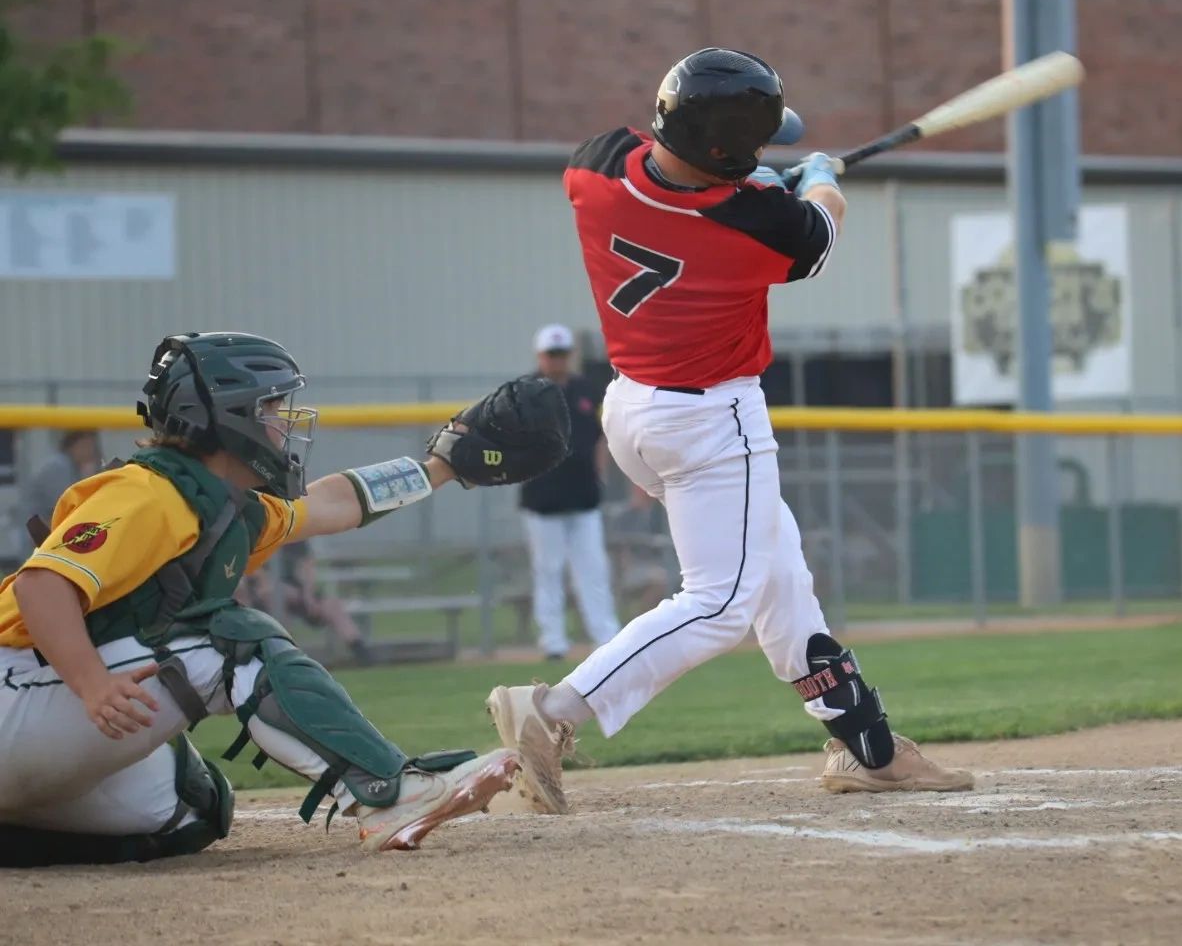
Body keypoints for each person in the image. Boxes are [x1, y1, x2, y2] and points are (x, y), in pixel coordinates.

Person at [486, 48, 971, 814]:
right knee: (720, 604)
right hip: (712, 421)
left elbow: (684, 192)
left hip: (632, 408)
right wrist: (816, 178)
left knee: (780, 578)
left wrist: (752, 183)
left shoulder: (596, 168)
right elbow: (819, 229)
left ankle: (865, 744)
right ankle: (552, 714)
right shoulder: (766, 224)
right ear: (728, 156)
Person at [0, 331, 569, 865]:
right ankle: (390, 793)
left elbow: (333, 505)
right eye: (271, 409)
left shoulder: (220, 503)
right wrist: (92, 684)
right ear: (229, 419)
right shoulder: (147, 493)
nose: (285, 422)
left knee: (188, 808)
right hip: (16, 694)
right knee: (230, 639)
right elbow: (41, 584)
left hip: (37, 712)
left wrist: (440, 467)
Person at [517, 324, 621, 660]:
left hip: (584, 496)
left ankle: (606, 636)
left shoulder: (585, 389)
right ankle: (553, 641)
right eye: (551, 354)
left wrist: (600, 471)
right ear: (540, 356)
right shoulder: (526, 391)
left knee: (593, 568)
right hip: (542, 498)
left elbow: (600, 436)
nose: (557, 360)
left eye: (562, 354)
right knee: (548, 570)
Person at [233, 540, 372, 666]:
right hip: (264, 595)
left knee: (332, 605)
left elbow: (308, 566)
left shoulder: (297, 537)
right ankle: (287, 654)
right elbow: (253, 571)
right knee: (276, 594)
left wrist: (308, 595)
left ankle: (359, 649)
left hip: (297, 593)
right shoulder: (261, 537)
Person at [12, 430, 103, 557]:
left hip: (52, 539)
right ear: (73, 446)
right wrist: (88, 477)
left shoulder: (75, 467)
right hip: (39, 540)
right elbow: (70, 508)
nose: (90, 452)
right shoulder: (58, 467)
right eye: (86, 445)